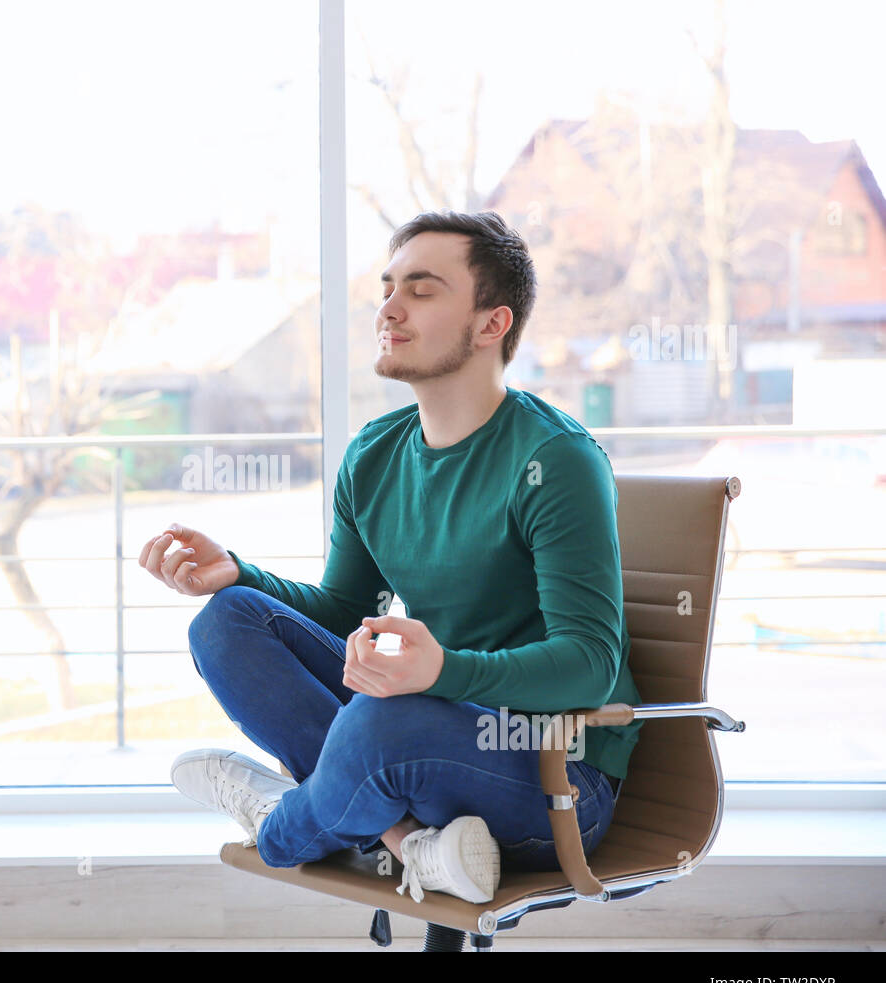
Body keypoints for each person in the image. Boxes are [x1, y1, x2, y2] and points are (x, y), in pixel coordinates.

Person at [137, 210, 642, 905]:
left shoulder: (555, 460)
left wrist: (443, 671)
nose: (389, 308)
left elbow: (589, 663)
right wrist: (240, 574)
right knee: (227, 622)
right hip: (426, 742)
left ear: (491, 324)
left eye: (423, 290)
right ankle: (408, 842)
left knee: (384, 719)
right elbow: (346, 612)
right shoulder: (374, 455)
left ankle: (279, 819)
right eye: (388, 286)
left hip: (553, 777)